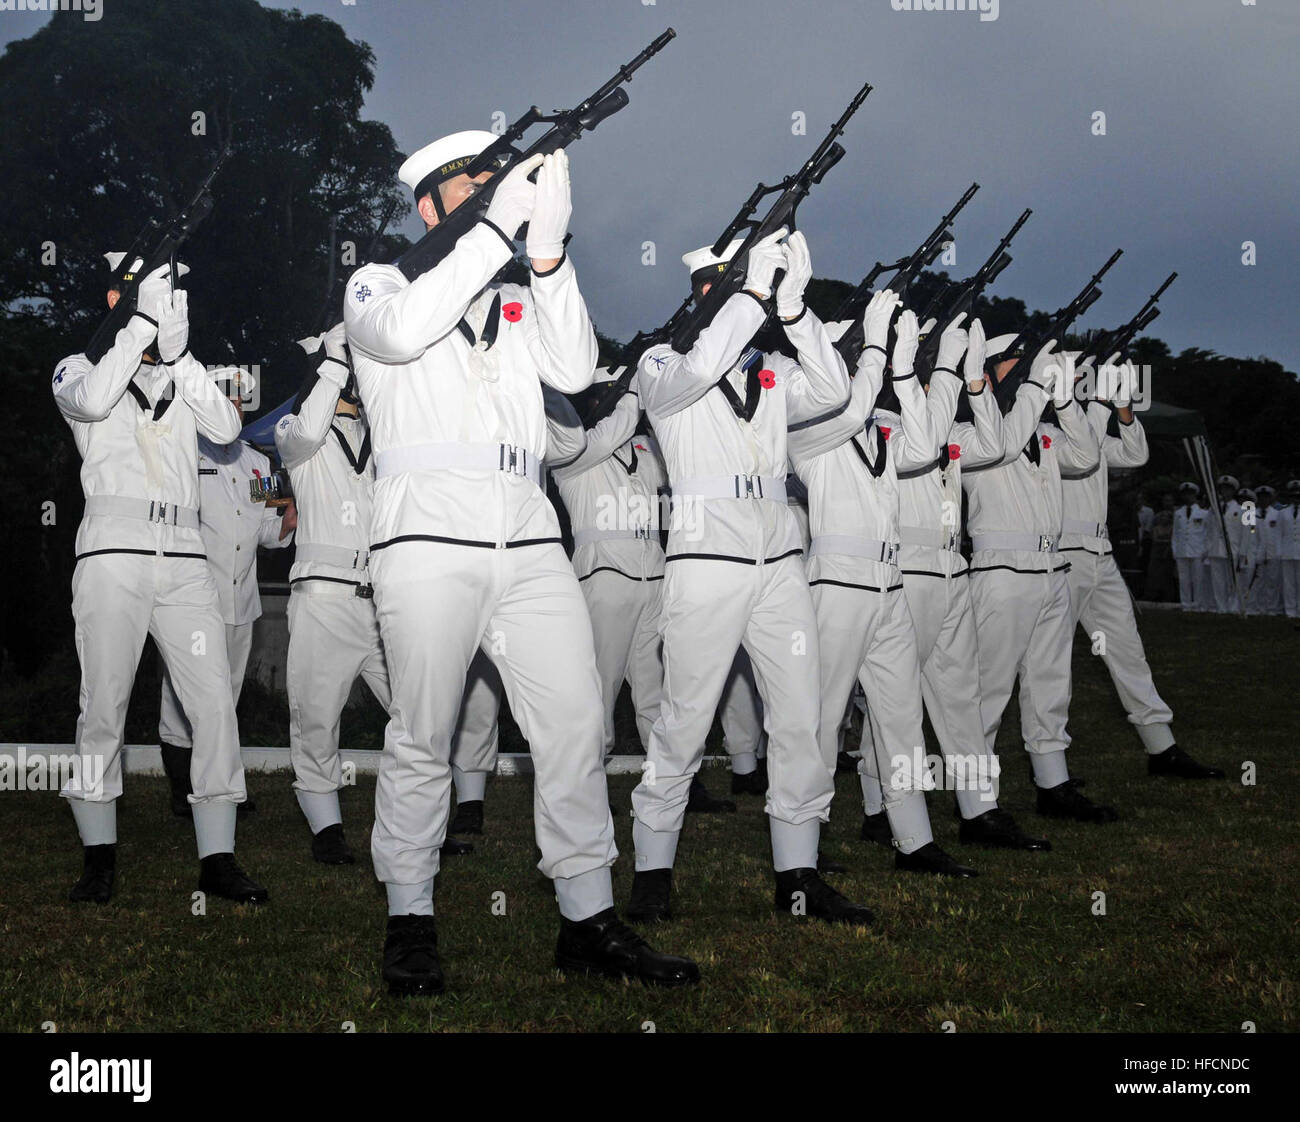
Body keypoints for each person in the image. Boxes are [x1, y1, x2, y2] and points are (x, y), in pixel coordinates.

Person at [344, 131, 696, 994]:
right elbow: (401, 333)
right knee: (423, 735)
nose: (493, 195)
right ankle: (411, 919)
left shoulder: (508, 291)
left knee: (577, 725)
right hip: (426, 538)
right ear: (430, 205)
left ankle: (588, 919)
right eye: (473, 187)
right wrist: (493, 237)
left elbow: (576, 367)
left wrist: (546, 257)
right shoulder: (377, 284)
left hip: (529, 536)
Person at [627, 228, 872, 926]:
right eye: (732, 288)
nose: (748, 301)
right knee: (684, 721)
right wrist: (749, 295)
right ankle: (652, 872)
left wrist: (794, 309)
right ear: (706, 292)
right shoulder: (662, 362)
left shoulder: (770, 370)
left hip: (779, 564)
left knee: (800, 718)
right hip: (707, 564)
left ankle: (798, 875)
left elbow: (832, 389)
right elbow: (700, 369)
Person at [53, 255, 266, 905]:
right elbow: (90, 402)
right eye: (150, 293)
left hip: (183, 555)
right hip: (114, 551)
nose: (166, 302)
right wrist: (136, 326)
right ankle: (98, 857)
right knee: (105, 705)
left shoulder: (177, 367)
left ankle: (218, 858)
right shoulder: (80, 366)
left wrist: (179, 355)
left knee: (212, 703)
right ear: (120, 295)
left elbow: (227, 428)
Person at [883, 310, 1048, 850]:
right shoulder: (885, 423)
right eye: (946, 371)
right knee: (895, 700)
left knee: (960, 693)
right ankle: (878, 807)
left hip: (952, 568)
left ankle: (980, 809)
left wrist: (978, 383)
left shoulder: (952, 431)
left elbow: (995, 444)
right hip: (907, 571)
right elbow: (920, 449)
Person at [963, 337, 1119, 822]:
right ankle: (975, 799)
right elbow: (1001, 446)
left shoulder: (1045, 431)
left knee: (1052, 683)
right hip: (1002, 569)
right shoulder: (970, 427)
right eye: (1019, 360)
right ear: (990, 373)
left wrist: (1068, 400)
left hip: (1052, 569)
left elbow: (1088, 458)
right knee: (988, 690)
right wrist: (1032, 387)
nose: (1034, 367)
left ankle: (1053, 784)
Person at [1060, 358, 1222, 778]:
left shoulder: (1090, 432)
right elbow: (1082, 448)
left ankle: (1160, 747)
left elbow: (1135, 453)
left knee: (1127, 649)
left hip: (1098, 550)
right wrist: (1097, 399)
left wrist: (1124, 409)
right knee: (1047, 661)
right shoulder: (1046, 436)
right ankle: (1047, 765)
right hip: (1061, 554)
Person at [273, 323, 388, 863]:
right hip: (325, 597)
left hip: (384, 600)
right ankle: (327, 831)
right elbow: (309, 427)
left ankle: (418, 820)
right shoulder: (298, 435)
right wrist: (332, 359)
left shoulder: (380, 439)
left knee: (420, 711)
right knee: (317, 717)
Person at [158, 367, 295, 816]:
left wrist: (290, 516)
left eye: (239, 400)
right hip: (193, 598)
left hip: (242, 603)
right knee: (181, 703)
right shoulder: (184, 453)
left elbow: (269, 533)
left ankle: (222, 788)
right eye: (225, 398)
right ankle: (182, 794)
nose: (234, 406)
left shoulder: (258, 463)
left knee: (227, 697)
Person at [1204, 474, 1242, 613]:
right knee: (1218, 582)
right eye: (1223, 489)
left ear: (1233, 491)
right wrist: (1208, 548)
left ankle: (1233, 607)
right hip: (1215, 549)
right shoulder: (1213, 508)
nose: (1225, 492)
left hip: (1233, 549)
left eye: (1228, 489)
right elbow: (1208, 530)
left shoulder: (1241, 509)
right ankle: (1221, 608)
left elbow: (1243, 533)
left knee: (1232, 582)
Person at [1172, 482, 1210, 610]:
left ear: (1195, 495)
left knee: (1198, 579)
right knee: (1184, 580)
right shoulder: (1178, 513)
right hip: (1182, 550)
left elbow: (1207, 534)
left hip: (1198, 550)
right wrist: (1175, 551)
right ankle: (1186, 604)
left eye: (1190, 494)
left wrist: (1205, 551)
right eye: (1185, 494)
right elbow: (1175, 534)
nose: (1188, 496)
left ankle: (1198, 604)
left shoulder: (1203, 513)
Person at [1248, 485, 1281, 615]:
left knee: (1273, 582)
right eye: (1261, 497)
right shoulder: (1251, 515)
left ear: (1271, 498)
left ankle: (1272, 608)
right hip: (1256, 554)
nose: (1263, 500)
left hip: (1274, 553)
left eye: (1266, 497)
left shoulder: (1278, 514)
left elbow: (1279, 535)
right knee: (1257, 583)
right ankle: (1258, 607)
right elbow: (1251, 536)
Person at [1280, 480, 1300, 618]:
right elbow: (1278, 534)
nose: (1296, 499)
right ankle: (1290, 610)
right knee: (1288, 584)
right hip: (1287, 551)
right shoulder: (1283, 513)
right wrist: (1279, 552)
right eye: (1294, 496)